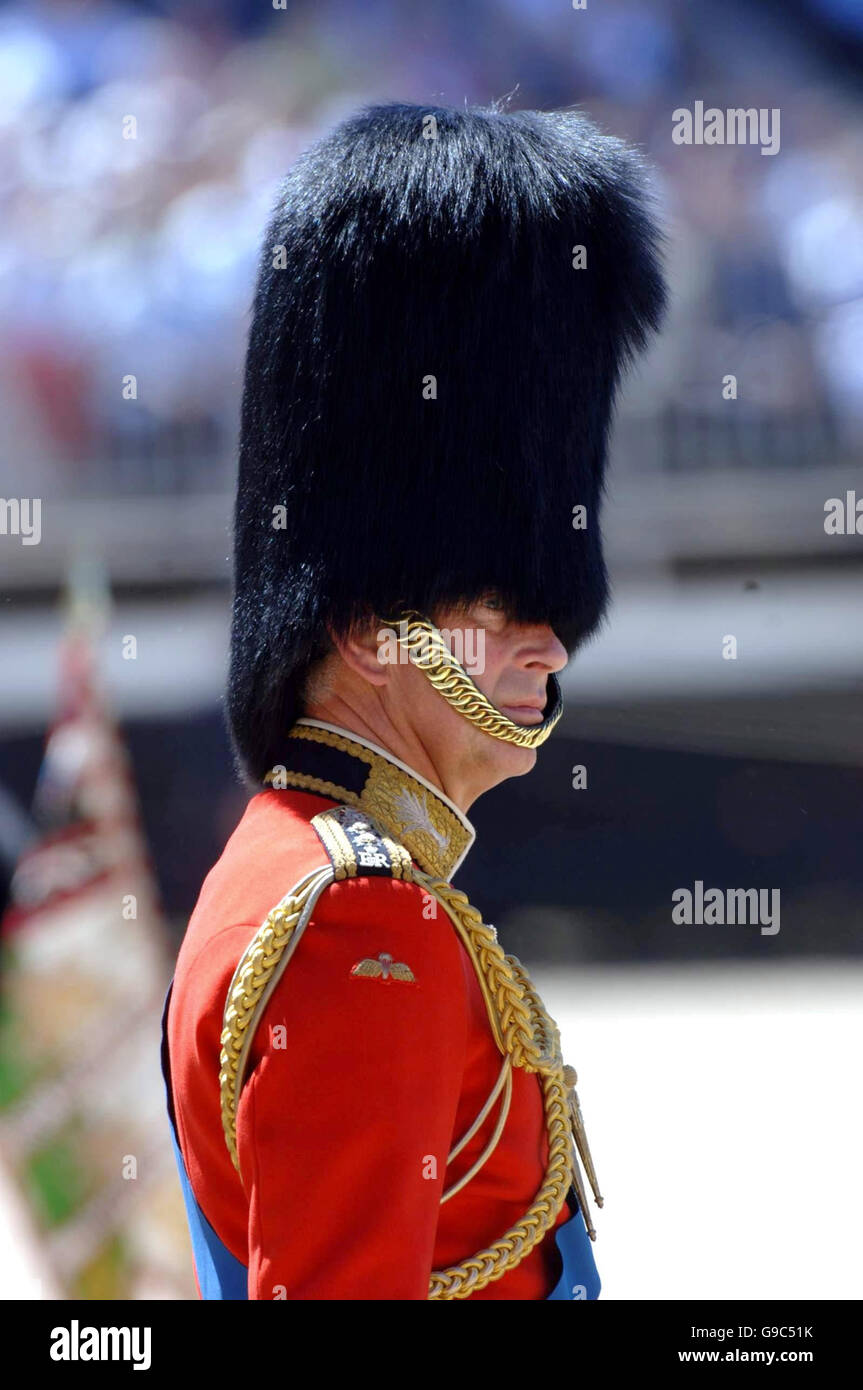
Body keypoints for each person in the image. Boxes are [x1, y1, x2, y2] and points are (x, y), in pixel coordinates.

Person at [160, 99, 666, 1300]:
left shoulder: (303, 874)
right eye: (496, 601)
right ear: (363, 627)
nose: (547, 637)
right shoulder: (357, 922)